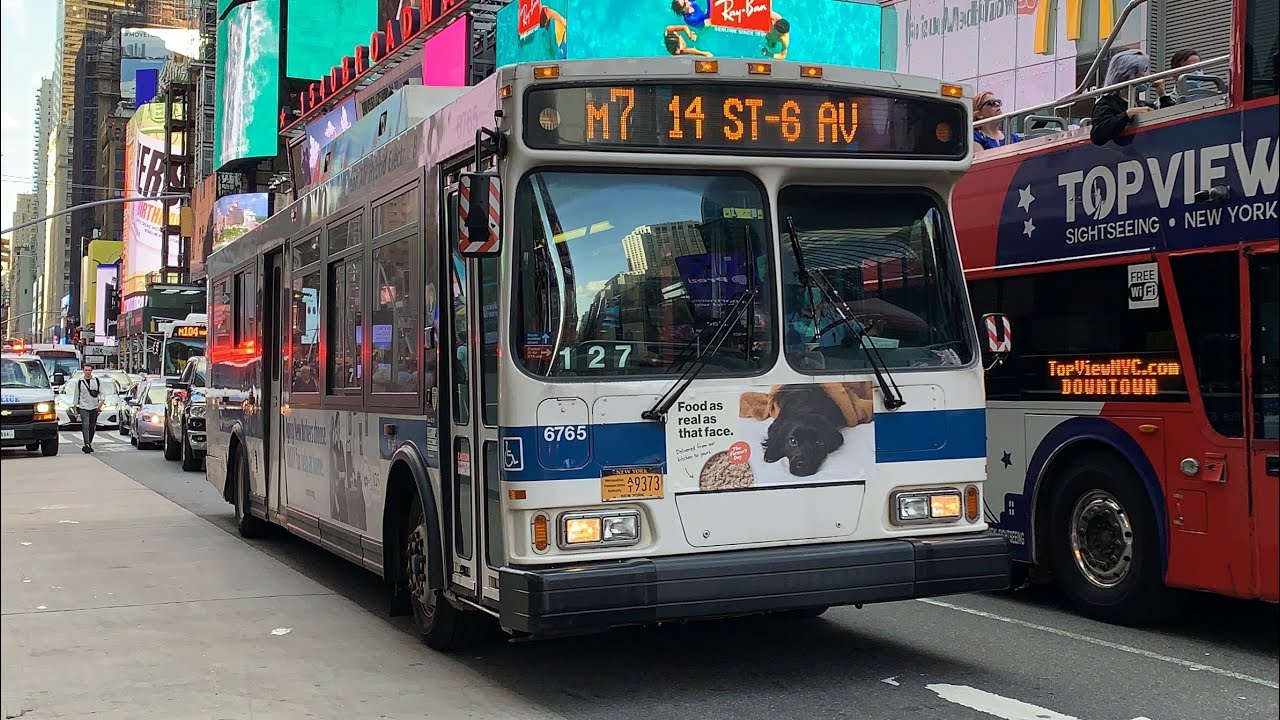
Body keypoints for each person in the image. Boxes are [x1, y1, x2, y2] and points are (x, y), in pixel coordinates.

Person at [1091, 49, 1176, 145]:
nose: (1148, 74)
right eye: (1145, 70)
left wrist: (1162, 95)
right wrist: (1127, 114)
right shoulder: (1107, 103)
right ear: (1130, 74)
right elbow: (1098, 135)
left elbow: (1172, 126)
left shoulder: (1143, 104)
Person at [72, 364, 105, 453]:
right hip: (83, 407)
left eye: (89, 370)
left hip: (94, 407)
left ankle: (89, 442)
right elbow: (76, 395)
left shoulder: (97, 381)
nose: (87, 372)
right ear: (83, 371)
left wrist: (100, 404)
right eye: (86, 370)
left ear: (91, 371)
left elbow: (102, 394)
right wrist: (75, 408)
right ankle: (86, 444)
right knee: (85, 425)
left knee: (92, 426)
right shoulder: (79, 382)